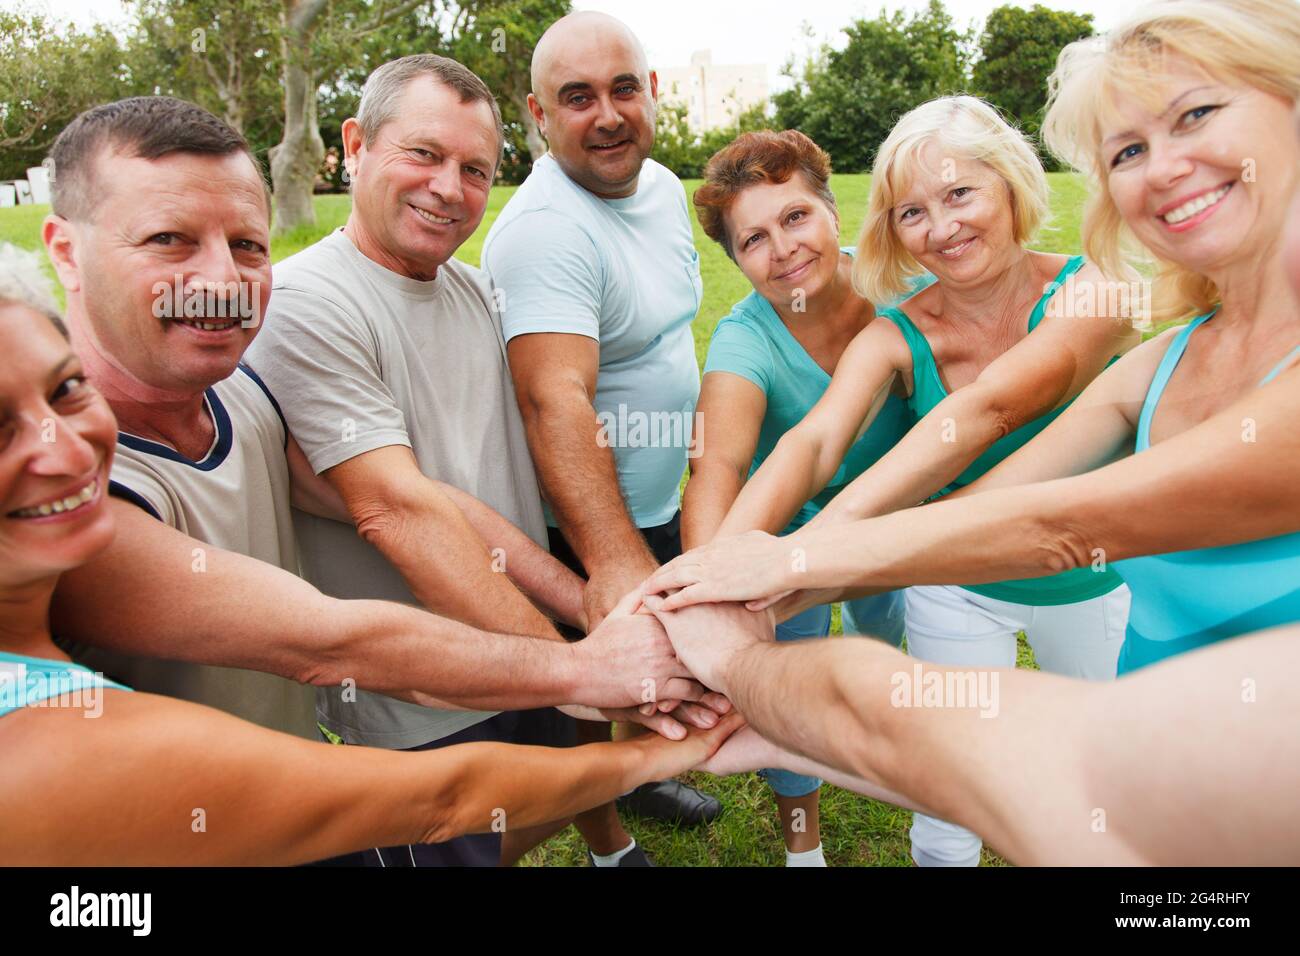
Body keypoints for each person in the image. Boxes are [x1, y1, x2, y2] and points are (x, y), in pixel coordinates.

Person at [643, 1, 1300, 849]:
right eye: (1129, 151)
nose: (1163, 168)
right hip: (1161, 795)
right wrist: (736, 587)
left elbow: (1042, 502)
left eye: (1197, 115)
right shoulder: (1170, 357)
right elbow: (944, 491)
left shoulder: (1103, 301)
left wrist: (764, 592)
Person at [40, 95, 719, 864]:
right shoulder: (56, 488)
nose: (221, 280)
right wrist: (588, 669)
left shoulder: (236, 396)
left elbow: (433, 501)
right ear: (66, 251)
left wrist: (603, 612)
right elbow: (330, 643)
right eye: (169, 240)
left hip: (295, 813)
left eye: (247, 245)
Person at [246, 55, 723, 867]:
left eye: (474, 169)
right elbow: (398, 511)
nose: (448, 187)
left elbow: (472, 499)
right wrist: (580, 665)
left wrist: (589, 619)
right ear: (355, 145)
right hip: (422, 702)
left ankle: (611, 843)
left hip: (517, 653)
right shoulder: (308, 302)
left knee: (545, 801)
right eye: (423, 155)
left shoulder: (472, 291)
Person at [663, 95, 1138, 867]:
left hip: (1089, 578)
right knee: (947, 787)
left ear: (1012, 184)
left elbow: (991, 409)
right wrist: (710, 573)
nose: (942, 227)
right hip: (949, 578)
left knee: (1107, 770)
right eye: (913, 211)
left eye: (959, 194)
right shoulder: (895, 330)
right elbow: (811, 445)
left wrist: (795, 562)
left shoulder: (1099, 291)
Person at [481, 11, 719, 864]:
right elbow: (554, 401)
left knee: (637, 677)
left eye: (624, 88)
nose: (608, 115)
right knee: (590, 685)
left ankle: (642, 771)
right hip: (584, 516)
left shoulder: (657, 188)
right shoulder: (546, 231)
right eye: (576, 98)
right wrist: (616, 559)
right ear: (540, 119)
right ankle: (607, 840)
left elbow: (664, 336)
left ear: (653, 93)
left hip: (657, 494)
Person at [684, 129, 925, 866]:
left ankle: (880, 733)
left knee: (884, 633)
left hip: (887, 521)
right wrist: (706, 587)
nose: (782, 247)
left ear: (832, 212)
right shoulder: (744, 339)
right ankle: (804, 849)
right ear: (738, 262)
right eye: (753, 239)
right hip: (781, 534)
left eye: (795, 217)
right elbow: (717, 468)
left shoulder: (908, 292)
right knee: (785, 675)